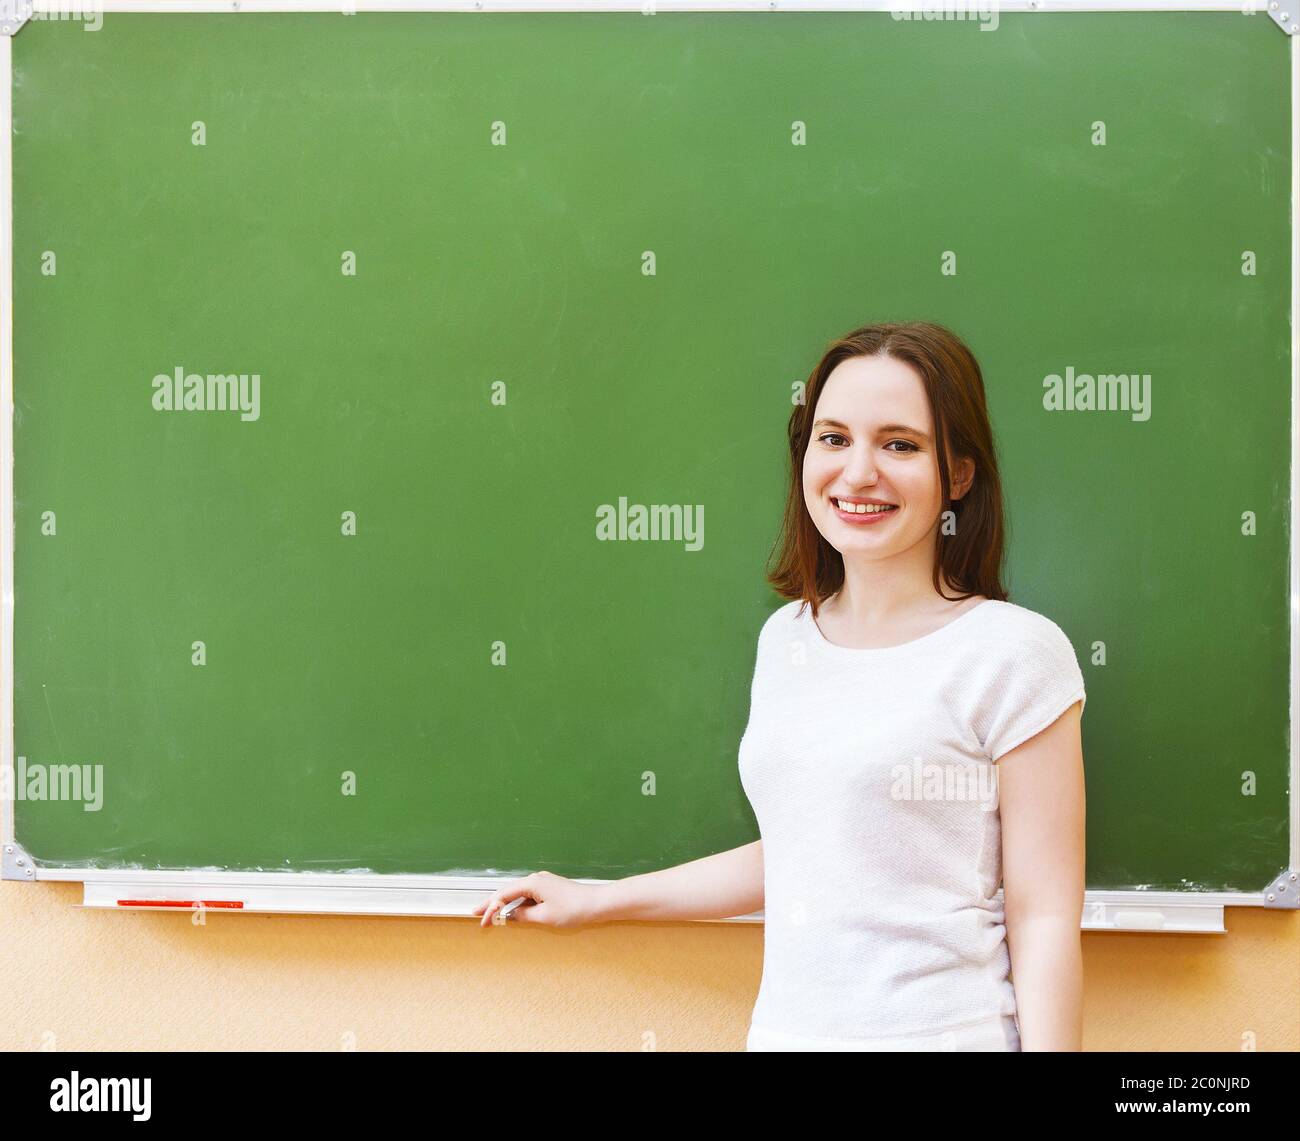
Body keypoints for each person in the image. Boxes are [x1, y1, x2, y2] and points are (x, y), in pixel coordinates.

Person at [474, 320, 1087, 1052]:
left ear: (958, 473)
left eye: (900, 444)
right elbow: (813, 846)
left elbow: (1045, 916)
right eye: (833, 438)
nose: (859, 473)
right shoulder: (787, 639)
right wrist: (599, 898)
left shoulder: (1013, 652)